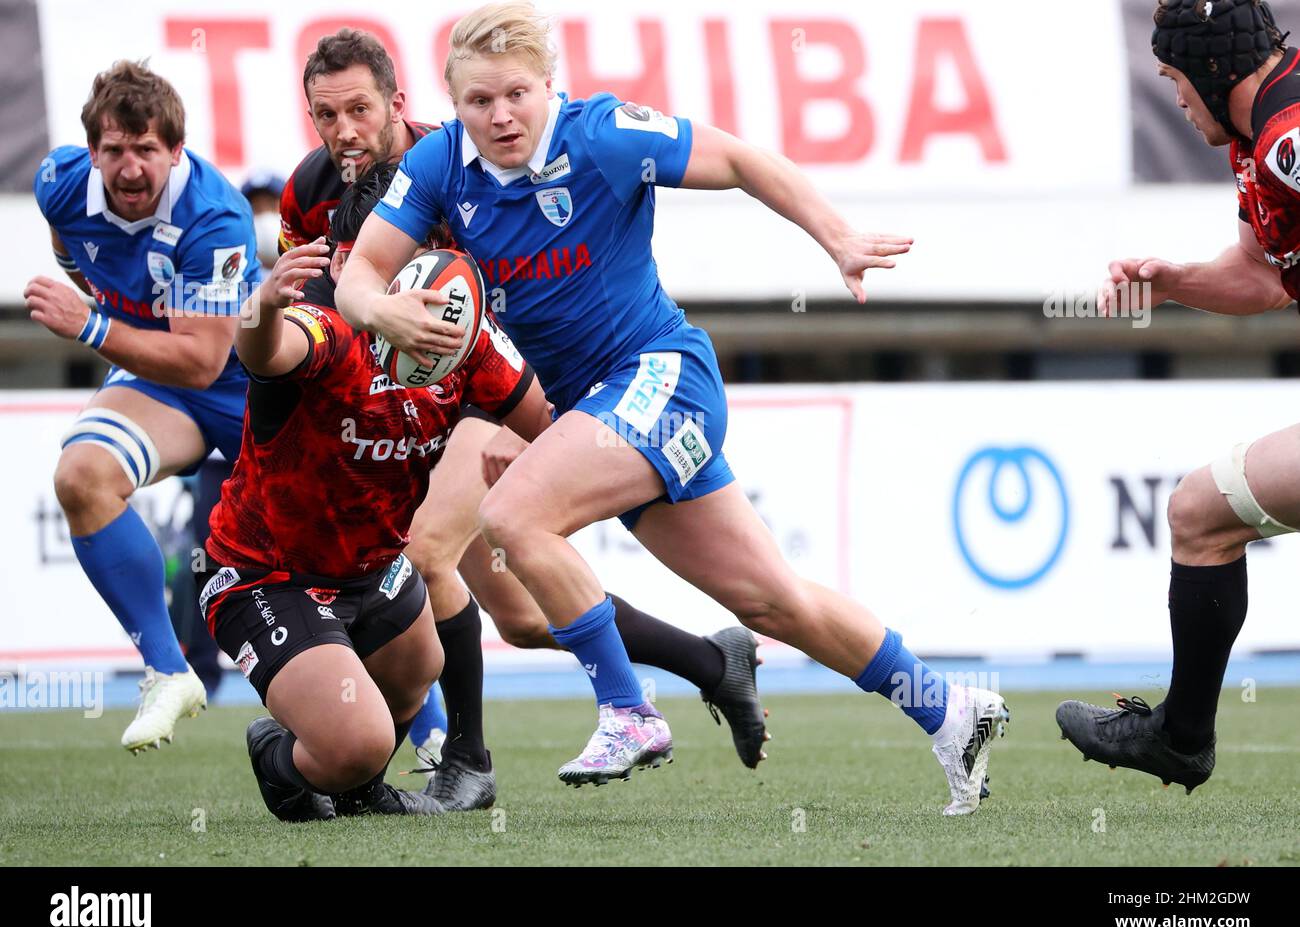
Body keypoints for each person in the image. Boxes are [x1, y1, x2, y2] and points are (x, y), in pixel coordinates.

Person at [336, 1, 1008, 814]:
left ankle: (627, 710)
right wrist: (380, 312)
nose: (500, 115)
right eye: (479, 101)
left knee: (513, 517)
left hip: (661, 376)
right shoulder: (443, 162)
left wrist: (835, 236)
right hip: (601, 405)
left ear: (548, 84)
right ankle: (951, 710)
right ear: (454, 104)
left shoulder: (604, 134)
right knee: (773, 603)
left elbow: (743, 159)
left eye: (516, 93)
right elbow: (359, 274)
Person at [287, 30, 768, 809]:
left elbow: (531, 276)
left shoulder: (447, 153)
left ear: (398, 105)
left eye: (359, 110)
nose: (343, 131)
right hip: (405, 392)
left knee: (428, 550)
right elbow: (324, 302)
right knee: (521, 617)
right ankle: (715, 663)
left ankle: (464, 760)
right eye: (325, 115)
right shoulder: (307, 190)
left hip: (492, 382)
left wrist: (527, 422)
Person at [197, 168, 548, 821]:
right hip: (266, 577)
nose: (411, 283)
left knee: (419, 666)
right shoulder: (327, 330)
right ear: (343, 263)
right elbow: (265, 352)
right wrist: (262, 304)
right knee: (361, 743)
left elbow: (549, 421)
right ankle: (284, 761)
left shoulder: (460, 336)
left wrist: (528, 444)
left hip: (370, 570)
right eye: (382, 262)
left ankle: (354, 785)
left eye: (423, 254)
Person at [1057, 0, 1296, 793]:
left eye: (1174, 80)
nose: (1176, 99)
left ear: (1208, 68)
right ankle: (1181, 738)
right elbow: (1266, 276)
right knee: (1200, 512)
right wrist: (1176, 283)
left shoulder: (1288, 136)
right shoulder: (1261, 135)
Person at [26, 60, 260, 752]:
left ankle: (431, 728)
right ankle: (167, 668)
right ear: (93, 149)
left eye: (145, 149)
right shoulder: (60, 183)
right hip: (160, 383)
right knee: (82, 477)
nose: (128, 167)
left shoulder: (214, 215)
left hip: (251, 387)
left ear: (175, 150)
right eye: (113, 150)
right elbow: (67, 236)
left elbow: (203, 359)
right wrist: (84, 284)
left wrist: (90, 324)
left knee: (339, 551)